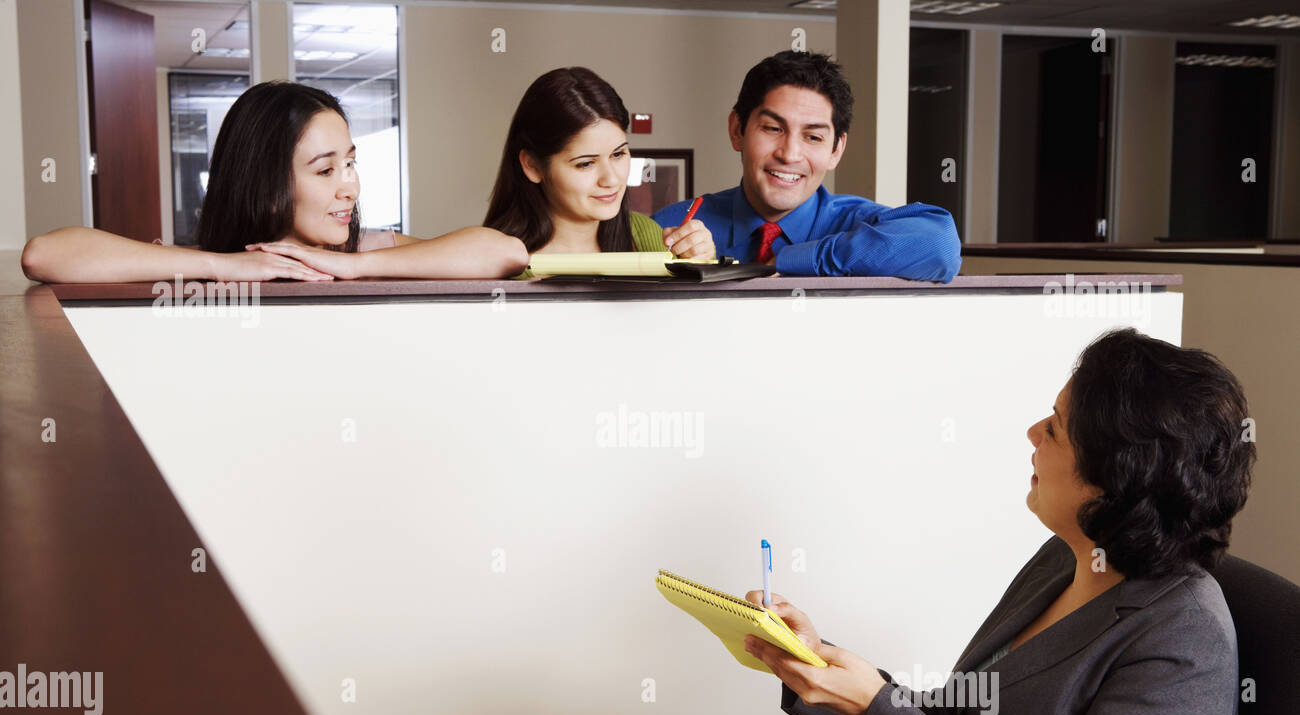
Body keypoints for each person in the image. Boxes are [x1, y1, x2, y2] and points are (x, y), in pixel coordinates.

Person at [743, 328, 1255, 715]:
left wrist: (874, 707)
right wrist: (818, 662)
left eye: (1056, 429)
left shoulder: (1186, 645)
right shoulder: (1066, 558)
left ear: (1114, 475)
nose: (1033, 432)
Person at [20, 82, 527, 283]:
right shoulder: (208, 265)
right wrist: (221, 267)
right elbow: (44, 255)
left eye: (350, 163)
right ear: (265, 181)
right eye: (326, 170)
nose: (350, 186)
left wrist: (352, 268)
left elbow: (506, 253)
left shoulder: (367, 252)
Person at [652, 51, 961, 281]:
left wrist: (796, 259)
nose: (790, 154)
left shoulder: (858, 225)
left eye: (813, 136)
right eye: (773, 129)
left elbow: (940, 244)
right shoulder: (674, 226)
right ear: (737, 130)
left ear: (836, 149)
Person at [483, 67, 713, 277]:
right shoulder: (497, 259)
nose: (611, 179)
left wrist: (703, 266)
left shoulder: (644, 235)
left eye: (618, 154)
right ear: (532, 166)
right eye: (585, 164)